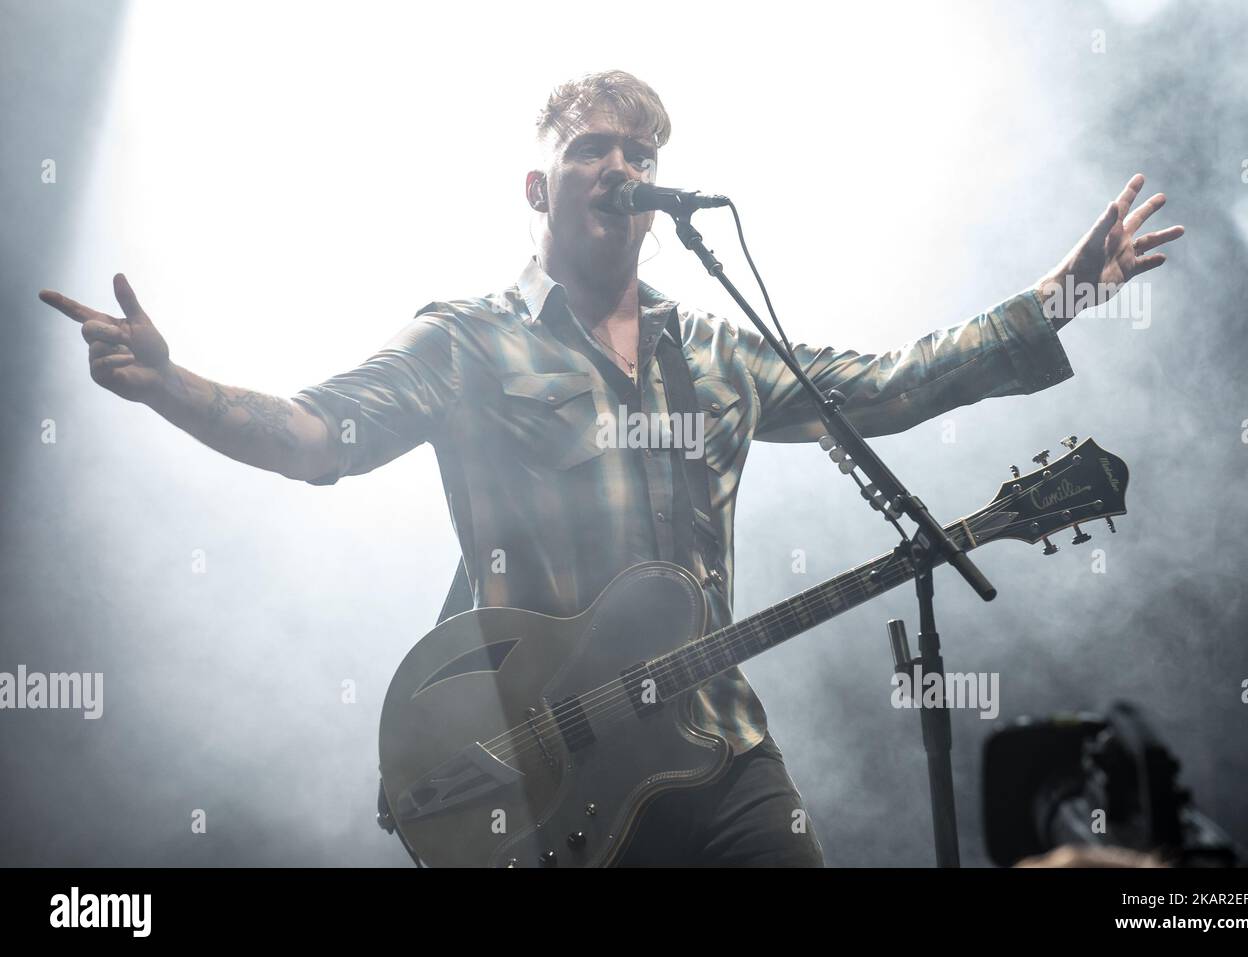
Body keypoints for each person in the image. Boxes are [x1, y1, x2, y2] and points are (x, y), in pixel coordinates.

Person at [39, 70, 1184, 867]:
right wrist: (176, 386)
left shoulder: (718, 350)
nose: (620, 167)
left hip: (718, 748)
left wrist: (1061, 298)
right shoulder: (467, 341)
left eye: (639, 154)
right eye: (591, 148)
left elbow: (885, 387)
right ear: (538, 189)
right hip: (549, 769)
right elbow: (314, 435)